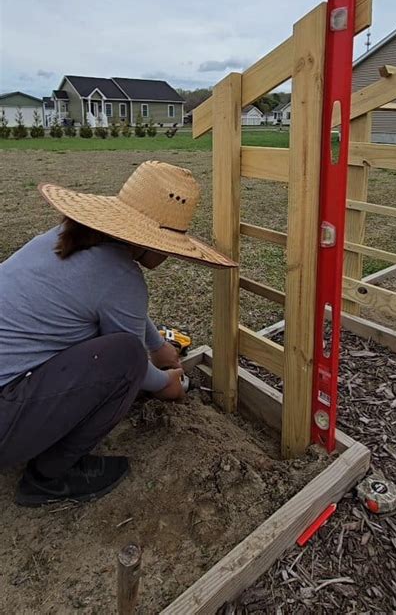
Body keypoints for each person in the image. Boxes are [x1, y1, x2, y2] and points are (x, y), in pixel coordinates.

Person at [0, 161, 235, 506]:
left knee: (116, 348)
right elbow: (132, 363)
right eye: (167, 244)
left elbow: (112, 302)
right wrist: (166, 383)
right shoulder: (122, 278)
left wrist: (158, 347)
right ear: (144, 240)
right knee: (124, 357)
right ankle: (49, 478)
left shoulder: (64, 239)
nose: (169, 254)